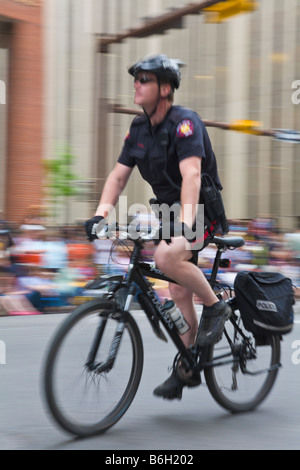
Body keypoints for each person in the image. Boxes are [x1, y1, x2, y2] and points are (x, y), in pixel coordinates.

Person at [84, 54, 231, 400]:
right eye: (135, 78)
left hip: (200, 211)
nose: (136, 83)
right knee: (178, 292)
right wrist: (100, 214)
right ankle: (188, 367)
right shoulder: (138, 129)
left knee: (166, 258)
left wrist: (185, 224)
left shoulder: (186, 123)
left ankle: (215, 306)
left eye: (144, 79)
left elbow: (191, 175)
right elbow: (119, 176)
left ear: (165, 89)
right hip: (168, 212)